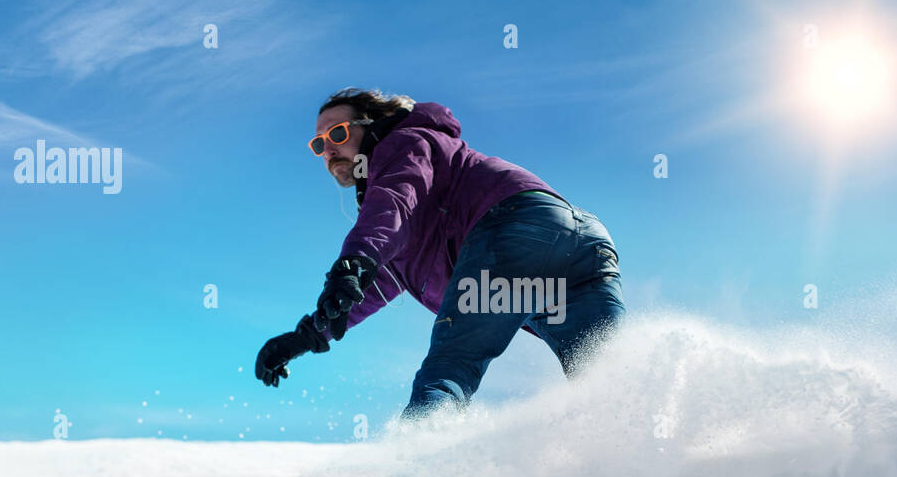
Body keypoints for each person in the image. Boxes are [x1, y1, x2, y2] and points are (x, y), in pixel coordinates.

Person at [254, 87, 625, 419]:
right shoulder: (414, 213)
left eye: (338, 133)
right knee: (605, 379)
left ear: (371, 125)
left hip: (515, 227)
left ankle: (414, 476)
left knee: (452, 366)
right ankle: (636, 470)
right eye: (318, 144)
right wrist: (306, 336)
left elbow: (394, 200)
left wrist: (353, 262)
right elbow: (379, 282)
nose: (329, 148)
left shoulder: (401, 144)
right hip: (582, 245)